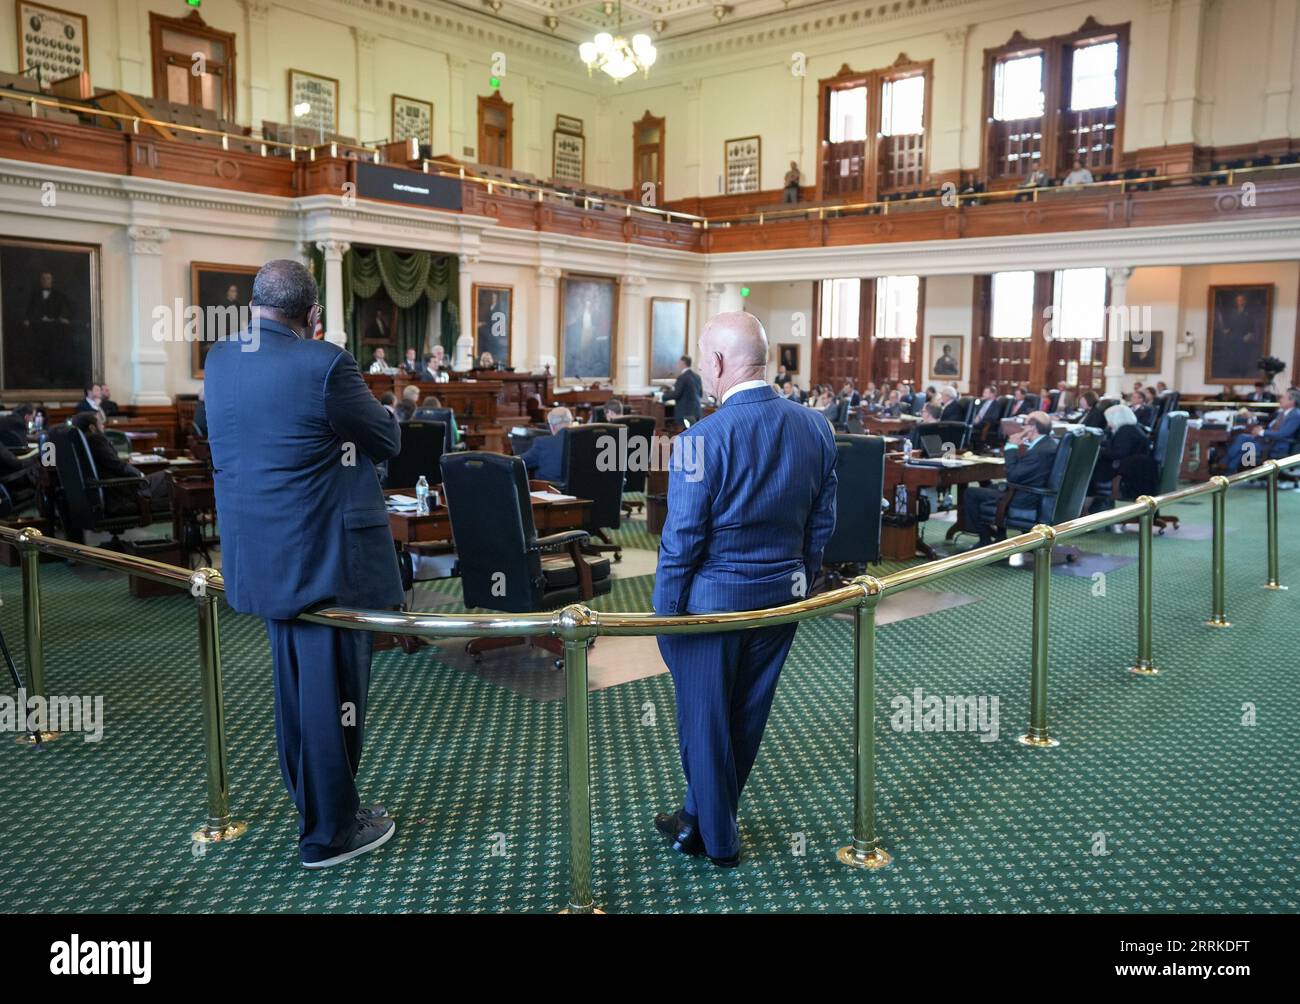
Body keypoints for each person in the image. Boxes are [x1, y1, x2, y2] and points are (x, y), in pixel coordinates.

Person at [204, 259, 402, 870]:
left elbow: (211, 428)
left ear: (257, 302)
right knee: (329, 691)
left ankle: (320, 807)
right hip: (322, 560)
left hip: (256, 553)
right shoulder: (324, 362)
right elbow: (387, 439)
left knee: (298, 690)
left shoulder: (220, 358)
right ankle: (328, 834)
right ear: (312, 315)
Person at [652, 311, 837, 868]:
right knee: (746, 714)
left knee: (704, 723)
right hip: (782, 597)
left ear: (716, 363)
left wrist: (665, 613)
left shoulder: (702, 438)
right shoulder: (817, 426)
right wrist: (798, 581)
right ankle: (694, 815)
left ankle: (719, 841)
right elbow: (820, 524)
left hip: (712, 607)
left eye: (704, 360)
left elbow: (682, 540)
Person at [961, 411, 1058, 547]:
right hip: (1035, 493)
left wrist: (1011, 446)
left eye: (1024, 425)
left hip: (1026, 497)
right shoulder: (1048, 444)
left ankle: (984, 540)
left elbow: (1013, 475)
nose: (1022, 428)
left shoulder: (1039, 451)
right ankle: (1000, 537)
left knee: (970, 493)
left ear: (1032, 427)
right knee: (991, 488)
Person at [68, 412, 169, 515]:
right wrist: (139, 475)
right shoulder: (95, 439)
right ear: (92, 427)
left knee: (167, 480)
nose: (103, 425)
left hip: (113, 489)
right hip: (122, 492)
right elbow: (117, 465)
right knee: (169, 475)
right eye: (100, 423)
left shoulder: (78, 443)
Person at [1224, 388, 1300, 472]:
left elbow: (1282, 434)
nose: (1280, 400)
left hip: (1277, 445)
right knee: (1242, 438)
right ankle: (1227, 470)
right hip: (1268, 440)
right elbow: (1270, 425)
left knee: (1243, 445)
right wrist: (1260, 429)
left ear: (1292, 401)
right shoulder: (1283, 412)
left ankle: (1225, 467)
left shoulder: (1295, 415)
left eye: (1283, 398)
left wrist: (1261, 432)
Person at [1092, 404, 1155, 496]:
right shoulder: (1130, 428)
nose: (1108, 423)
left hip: (1126, 467)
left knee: (1093, 465)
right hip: (1131, 464)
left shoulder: (1126, 431)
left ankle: (1100, 497)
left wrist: (1099, 450)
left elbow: (1117, 453)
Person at [521, 406, 572, 483]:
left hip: (549, 491)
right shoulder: (584, 441)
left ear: (553, 426)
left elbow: (520, 462)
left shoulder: (543, 443)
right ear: (570, 423)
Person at [661, 354, 703, 425]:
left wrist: (662, 397)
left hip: (686, 413)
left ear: (683, 363)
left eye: (678, 362)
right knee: (695, 434)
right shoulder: (697, 376)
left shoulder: (682, 377)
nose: (677, 364)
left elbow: (676, 394)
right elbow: (700, 394)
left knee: (686, 434)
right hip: (697, 412)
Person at [970, 384, 1004, 449]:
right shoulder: (982, 402)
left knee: (970, 426)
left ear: (992, 394)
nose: (983, 394)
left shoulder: (997, 404)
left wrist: (979, 418)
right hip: (975, 421)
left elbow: (993, 417)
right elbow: (975, 411)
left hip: (986, 423)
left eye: (985, 392)